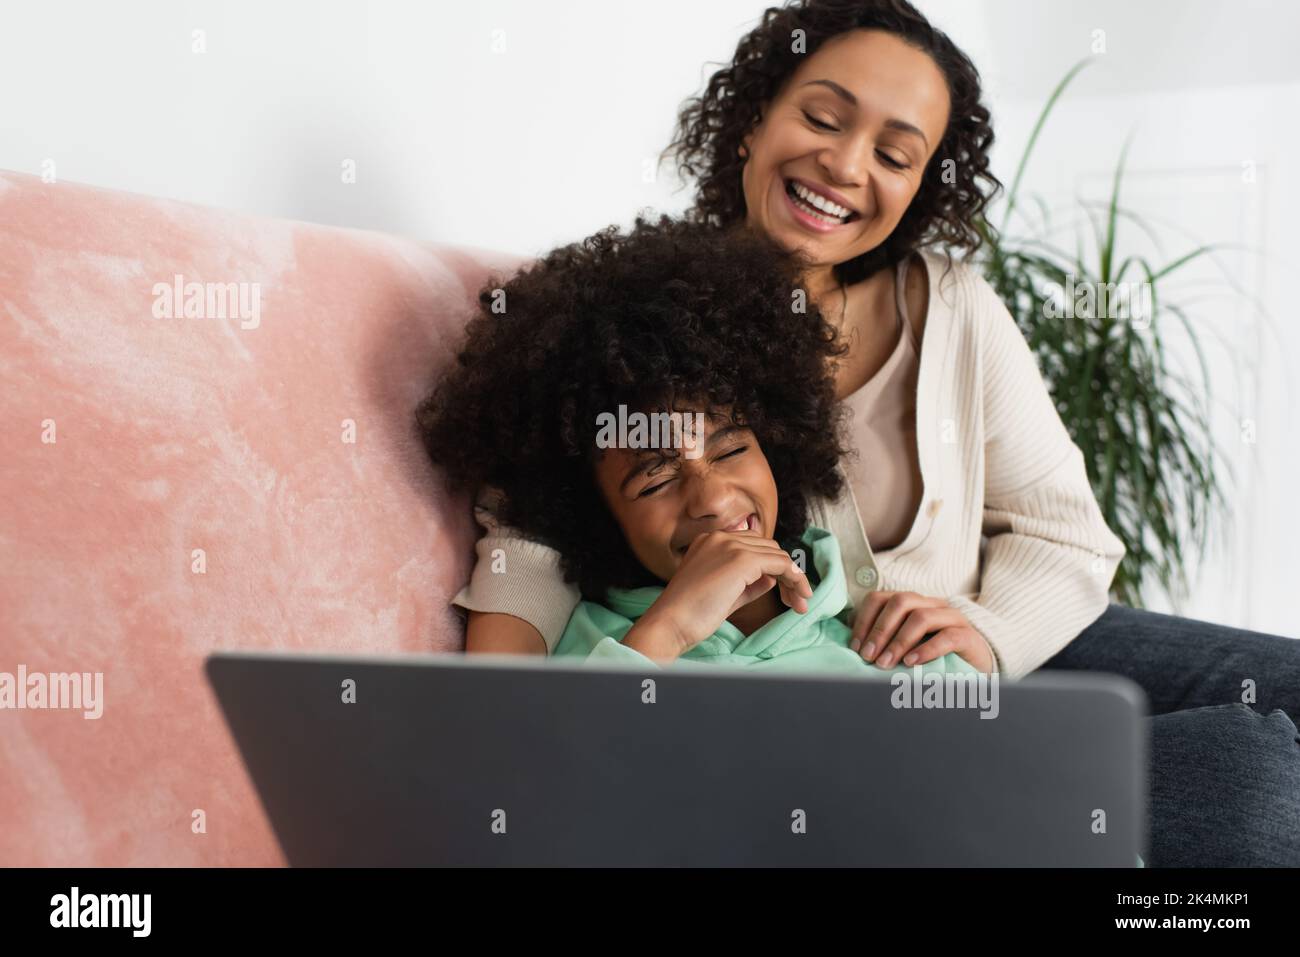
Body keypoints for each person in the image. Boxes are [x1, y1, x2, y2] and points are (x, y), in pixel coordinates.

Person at [417, 215, 1300, 866]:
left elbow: (1005, 743)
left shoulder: (852, 609)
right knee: (1249, 773)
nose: (712, 492)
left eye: (731, 447)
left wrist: (973, 668)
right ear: (587, 513)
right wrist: (671, 628)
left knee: (1245, 762)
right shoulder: (610, 647)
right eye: (653, 476)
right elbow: (534, 790)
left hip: (976, 816)